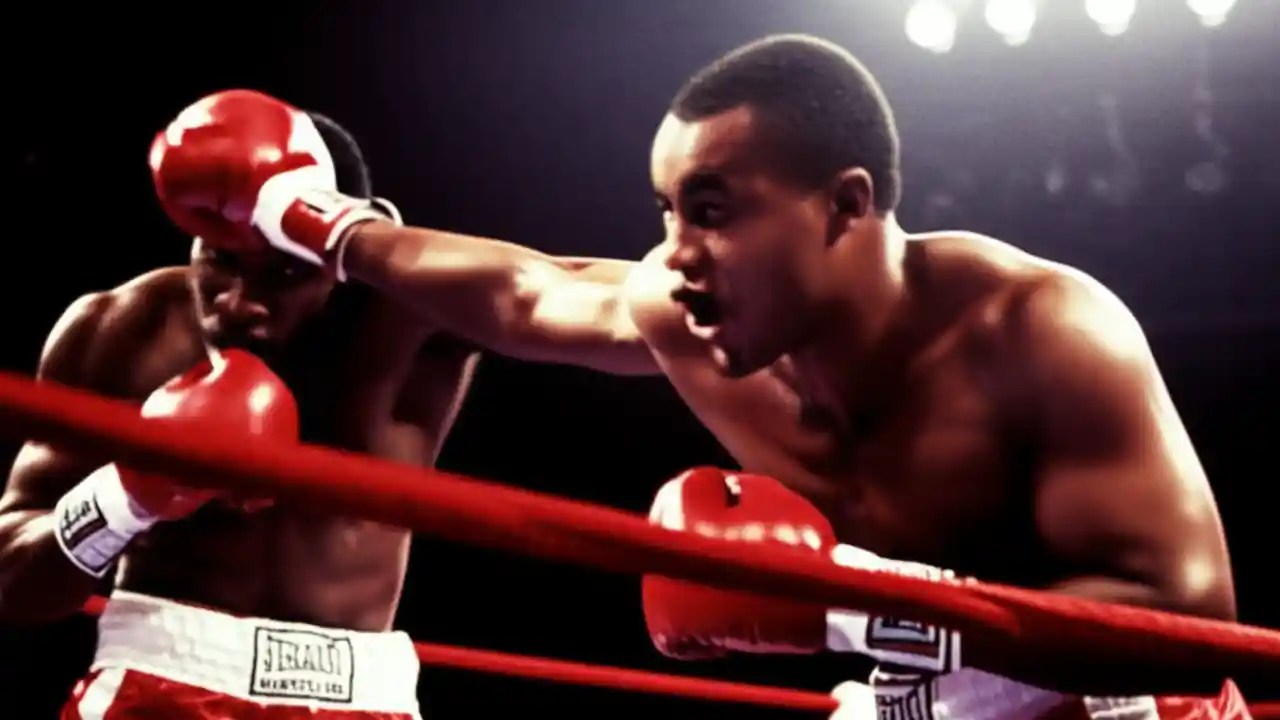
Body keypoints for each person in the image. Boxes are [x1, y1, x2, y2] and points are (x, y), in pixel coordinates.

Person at [144, 33, 1251, 720]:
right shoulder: (684, 313)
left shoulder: (1040, 328)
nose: (674, 254)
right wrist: (313, 221)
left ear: (845, 206)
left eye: (712, 211)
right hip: (914, 701)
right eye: (667, 212)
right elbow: (526, 293)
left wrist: (856, 610)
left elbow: (1188, 620)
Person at [0, 106, 480, 718]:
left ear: (344, 259)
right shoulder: (124, 331)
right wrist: (127, 496)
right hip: (162, 675)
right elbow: (12, 580)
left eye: (284, 272)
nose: (237, 303)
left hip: (362, 694)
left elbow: (557, 295)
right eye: (222, 259)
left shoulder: (411, 331)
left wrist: (372, 236)